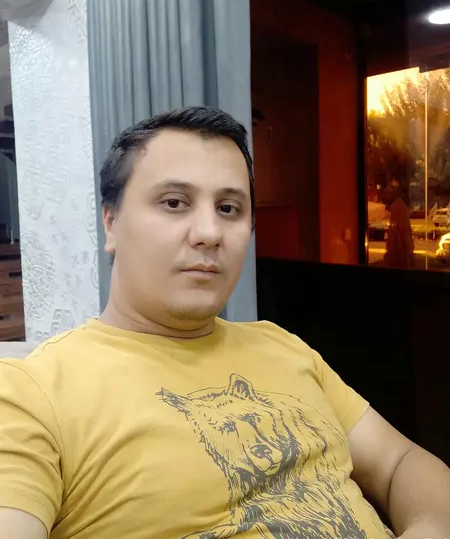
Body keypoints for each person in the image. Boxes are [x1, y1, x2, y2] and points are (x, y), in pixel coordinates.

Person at [0, 106, 449, 539]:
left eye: (229, 208)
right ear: (111, 223)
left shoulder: (281, 346)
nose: (210, 233)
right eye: (174, 202)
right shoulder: (31, 394)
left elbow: (399, 462)